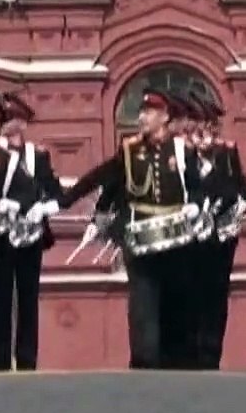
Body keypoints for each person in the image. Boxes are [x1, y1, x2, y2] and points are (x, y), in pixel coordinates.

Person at [62, 89, 203, 369]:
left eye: (149, 112)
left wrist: (195, 205)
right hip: (139, 235)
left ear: (164, 117)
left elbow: (198, 186)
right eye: (141, 111)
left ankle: (176, 358)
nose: (142, 117)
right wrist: (65, 199)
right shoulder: (129, 150)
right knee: (142, 298)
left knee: (177, 297)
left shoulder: (183, 151)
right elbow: (103, 177)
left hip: (176, 238)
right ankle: (144, 359)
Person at [0, 93, 57, 371]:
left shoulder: (37, 155)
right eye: (4, 120)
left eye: (11, 120)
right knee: (0, 297)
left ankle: (27, 359)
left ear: (22, 123)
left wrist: (43, 208)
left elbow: (52, 190)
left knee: (28, 298)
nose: (7, 125)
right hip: (0, 235)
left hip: (30, 236)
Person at [192, 94, 246, 370]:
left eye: (211, 128)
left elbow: (244, 193)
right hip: (190, 241)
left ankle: (211, 353)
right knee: (191, 295)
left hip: (220, 241)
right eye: (200, 128)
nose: (206, 135)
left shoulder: (227, 155)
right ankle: (191, 352)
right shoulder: (184, 158)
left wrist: (232, 214)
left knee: (216, 296)